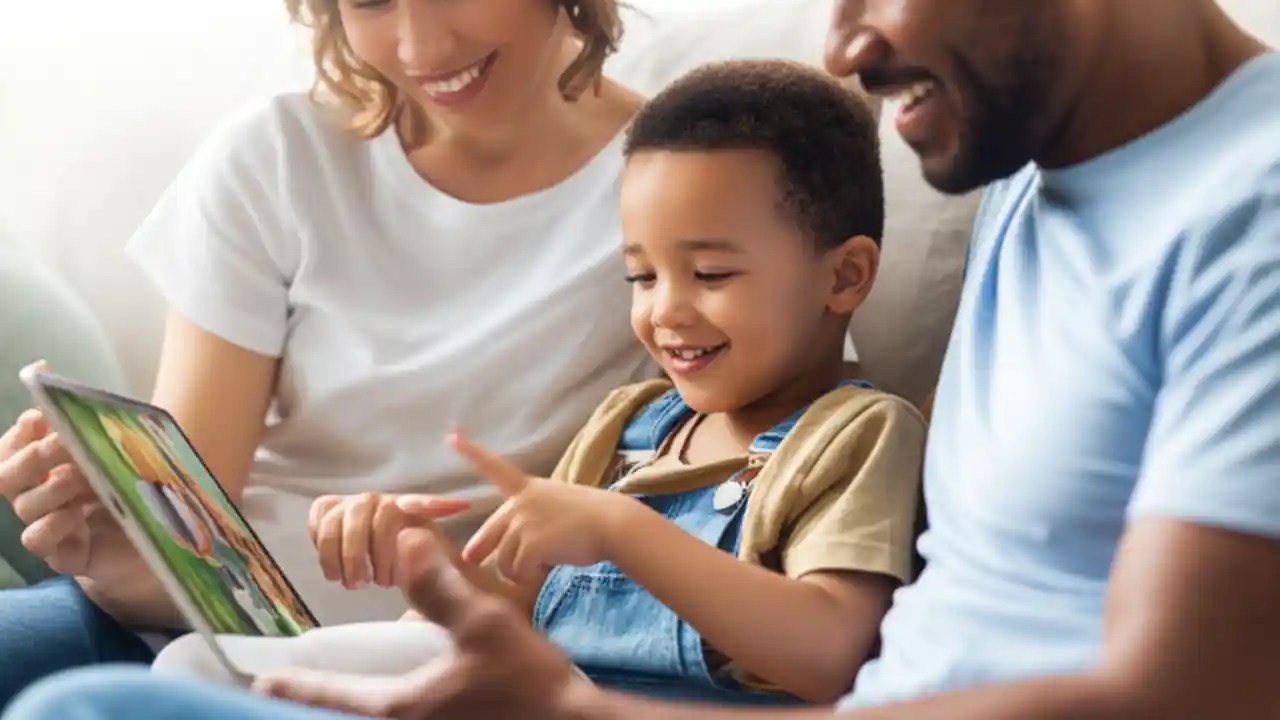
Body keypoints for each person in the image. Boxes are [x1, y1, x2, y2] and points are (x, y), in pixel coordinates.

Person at [6, 0, 1280, 717]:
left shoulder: (1241, 209)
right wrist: (125, 549)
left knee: (88, 714)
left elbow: (1180, 687)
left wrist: (578, 690)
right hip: (345, 637)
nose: (840, 47)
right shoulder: (1035, 172)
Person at [150, 60, 925, 707]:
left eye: (712, 273)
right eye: (641, 275)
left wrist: (622, 529)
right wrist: (418, 560)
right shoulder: (631, 424)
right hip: (527, 695)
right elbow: (492, 613)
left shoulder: (856, 434)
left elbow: (831, 650)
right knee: (195, 665)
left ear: (844, 275)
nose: (667, 311)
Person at [0, 0, 653, 704]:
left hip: (443, 659)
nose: (421, 46)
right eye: (370, 1)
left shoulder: (683, 192)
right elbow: (195, 540)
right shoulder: (277, 154)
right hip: (209, 629)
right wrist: (103, 551)